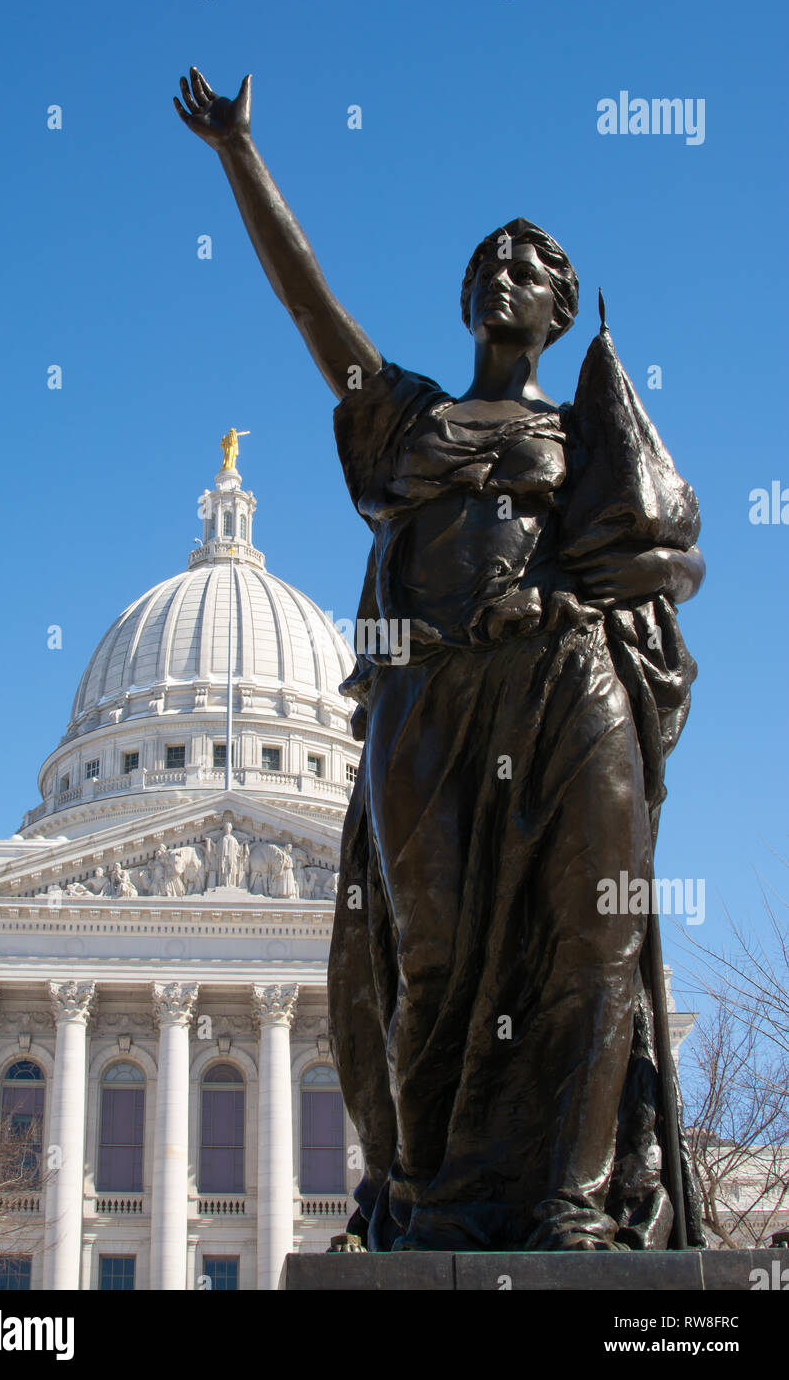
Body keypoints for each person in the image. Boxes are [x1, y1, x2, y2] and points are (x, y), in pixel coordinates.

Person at [174, 69, 706, 1252]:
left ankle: (570, 1203)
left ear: (558, 312)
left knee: (589, 933)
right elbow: (308, 305)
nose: (506, 273)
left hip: (564, 684)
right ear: (464, 297)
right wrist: (238, 158)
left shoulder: (584, 438)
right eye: (489, 262)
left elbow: (660, 553)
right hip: (430, 698)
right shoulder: (405, 420)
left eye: (531, 265)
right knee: (432, 950)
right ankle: (427, 1194)